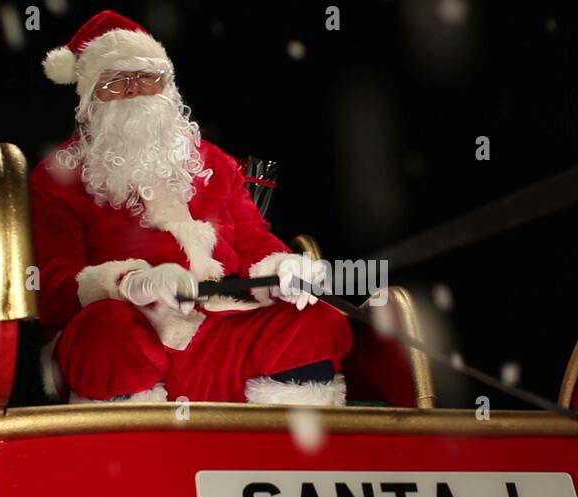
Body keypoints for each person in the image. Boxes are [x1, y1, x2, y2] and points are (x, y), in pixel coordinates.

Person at [32, 10, 352, 405]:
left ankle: (286, 447)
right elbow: (52, 286)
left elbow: (254, 239)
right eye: (114, 82)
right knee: (107, 330)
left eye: (147, 77)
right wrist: (128, 284)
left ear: (169, 87)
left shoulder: (213, 162)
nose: (134, 89)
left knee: (314, 319)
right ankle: (129, 451)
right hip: (127, 340)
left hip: (218, 336)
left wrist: (280, 267)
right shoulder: (57, 177)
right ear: (89, 100)